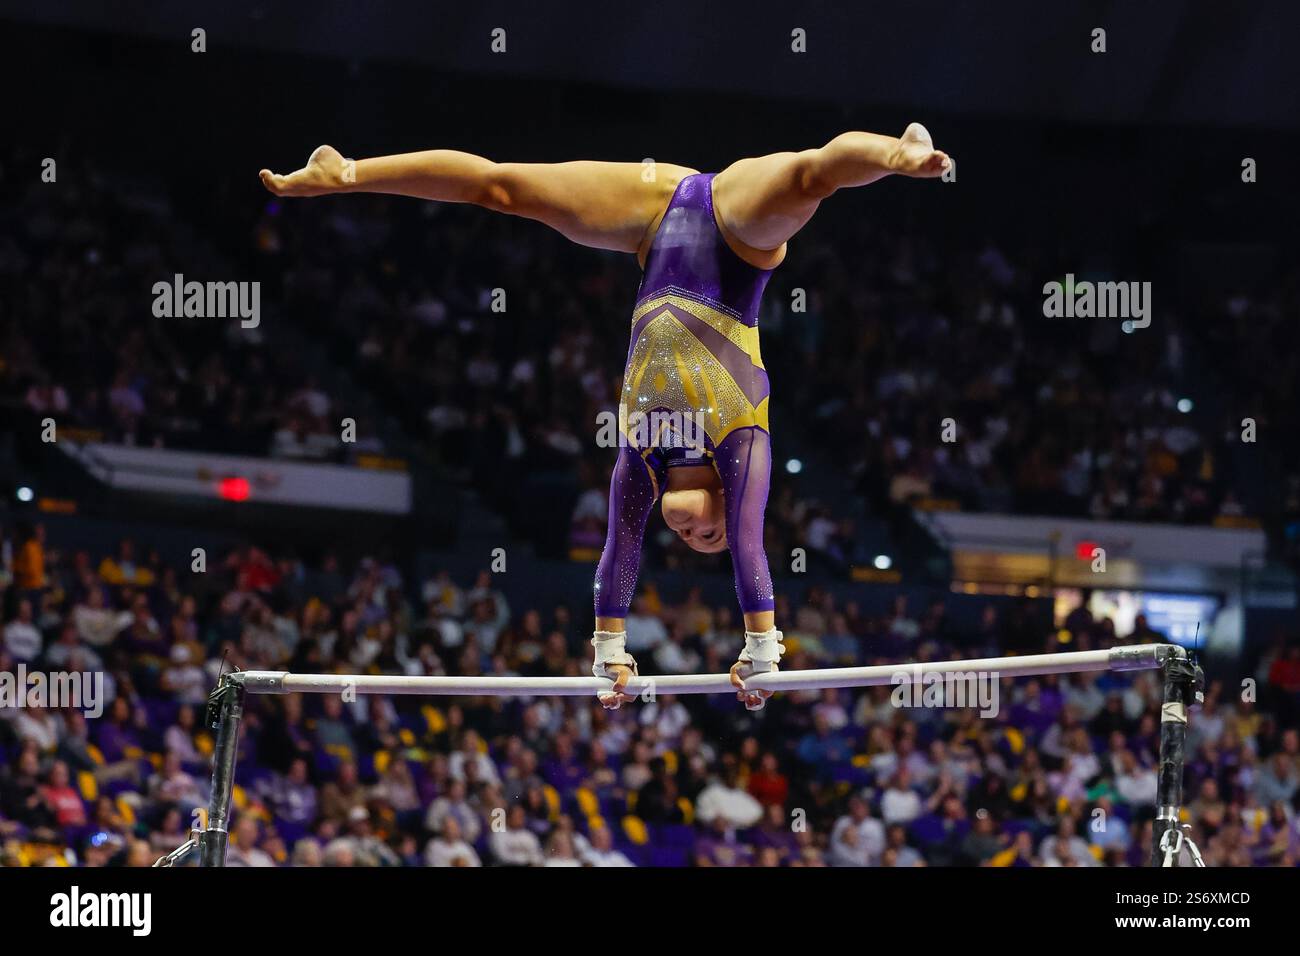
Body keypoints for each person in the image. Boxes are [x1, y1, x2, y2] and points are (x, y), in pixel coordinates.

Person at [261, 126, 950, 709]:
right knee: (807, 178)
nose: (693, 532)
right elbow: (749, 544)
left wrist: (610, 656)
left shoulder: (644, 459)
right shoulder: (741, 441)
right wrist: (762, 651)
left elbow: (620, 550)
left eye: (689, 540)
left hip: (653, 222)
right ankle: (899, 153)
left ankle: (344, 173)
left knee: (500, 190)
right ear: (722, 499)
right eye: (708, 531)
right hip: (737, 239)